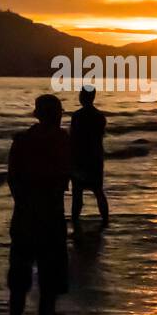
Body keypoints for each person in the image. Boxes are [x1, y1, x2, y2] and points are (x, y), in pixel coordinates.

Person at [7, 94, 72, 315]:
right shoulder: (62, 141)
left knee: (19, 282)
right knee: (49, 283)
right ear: (57, 116)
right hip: (51, 219)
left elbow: (13, 181)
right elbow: (64, 176)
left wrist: (24, 203)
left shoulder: (21, 141)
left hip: (24, 218)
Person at [69, 87, 109, 225]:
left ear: (82, 97)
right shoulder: (99, 116)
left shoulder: (77, 115)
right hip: (96, 156)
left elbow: (73, 137)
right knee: (98, 190)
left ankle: (75, 220)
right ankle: (105, 220)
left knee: (77, 193)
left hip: (80, 157)